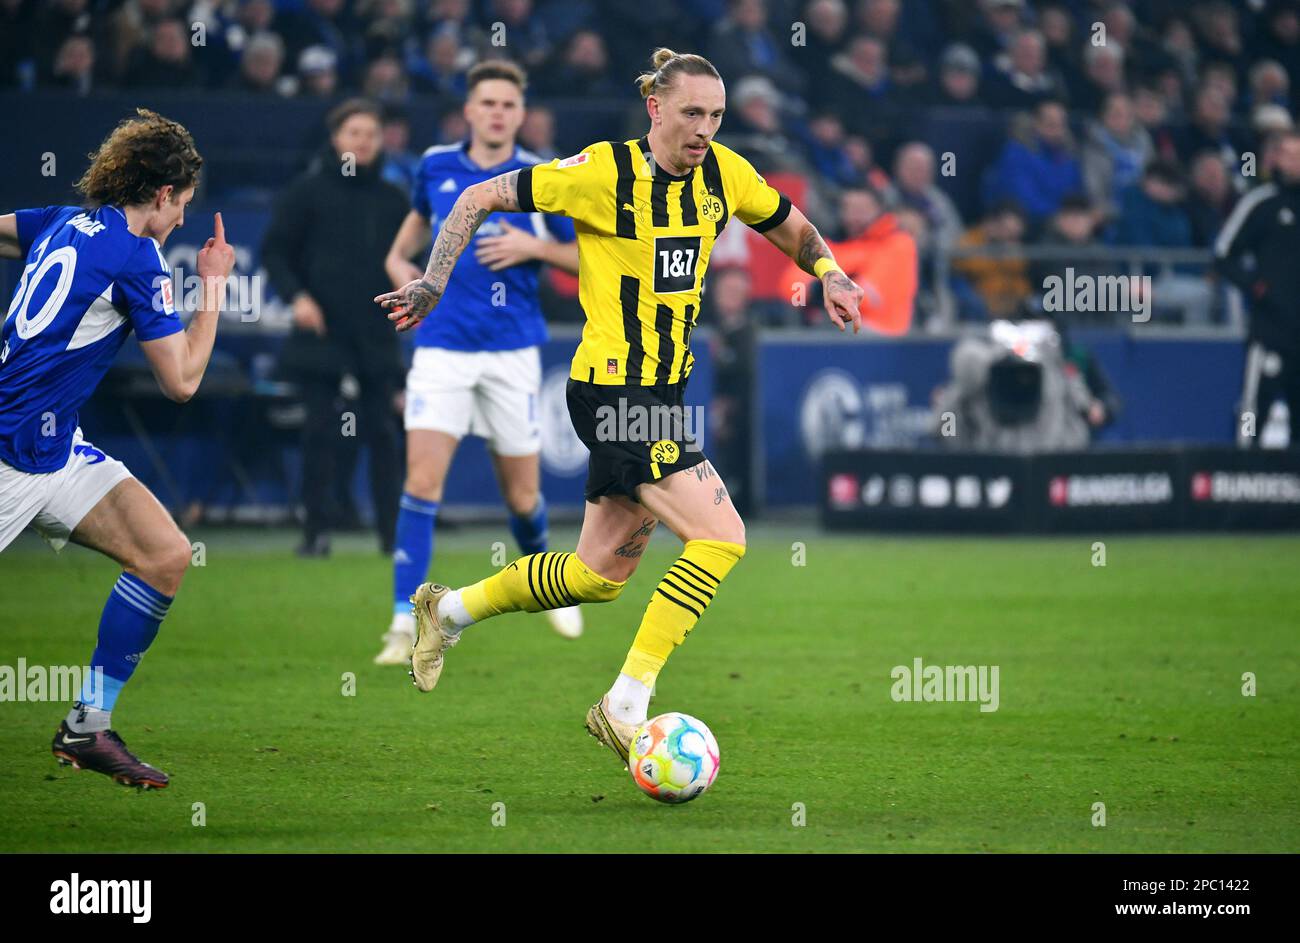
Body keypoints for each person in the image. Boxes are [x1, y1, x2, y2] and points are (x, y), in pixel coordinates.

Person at [374, 48, 863, 766]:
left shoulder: (726, 173)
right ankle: (626, 702)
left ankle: (444, 610)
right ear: (656, 108)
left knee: (597, 574)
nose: (704, 129)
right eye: (692, 112)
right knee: (722, 536)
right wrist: (432, 283)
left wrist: (830, 271)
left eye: (717, 116)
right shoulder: (602, 172)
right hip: (612, 389)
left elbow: (790, 225)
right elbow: (477, 197)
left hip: (662, 390)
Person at [0, 110, 235, 788]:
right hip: (10, 457)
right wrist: (214, 282)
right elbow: (184, 380)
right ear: (162, 194)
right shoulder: (138, 256)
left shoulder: (65, 220)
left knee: (163, 554)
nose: (185, 219)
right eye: (184, 203)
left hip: (55, 450)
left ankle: (88, 726)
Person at [376, 59, 582, 664]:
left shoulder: (546, 177)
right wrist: (400, 272)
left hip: (513, 350)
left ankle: (553, 588)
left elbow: (587, 258)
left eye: (508, 104)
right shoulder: (436, 165)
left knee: (522, 497)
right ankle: (400, 620)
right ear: (468, 110)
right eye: (487, 102)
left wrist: (533, 245)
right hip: (441, 348)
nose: (497, 112)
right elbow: (409, 238)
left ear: (522, 114)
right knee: (421, 483)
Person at [262, 98, 410, 558]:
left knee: (385, 434)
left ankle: (392, 537)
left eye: (371, 134)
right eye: (353, 134)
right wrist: (298, 298)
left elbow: (409, 261)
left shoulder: (395, 200)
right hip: (321, 334)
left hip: (377, 334)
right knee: (320, 434)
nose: (363, 143)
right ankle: (316, 534)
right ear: (335, 140)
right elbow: (275, 253)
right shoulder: (305, 192)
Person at [1215, 129, 1300, 448]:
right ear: (1276, 159)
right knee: (1253, 412)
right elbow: (1223, 254)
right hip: (1270, 332)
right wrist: (1256, 287)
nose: (1294, 162)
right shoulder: (1261, 202)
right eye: (1288, 154)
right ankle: (1241, 470)